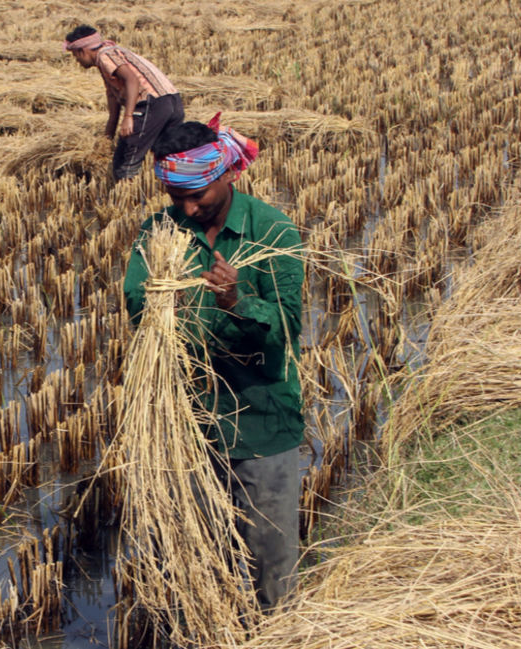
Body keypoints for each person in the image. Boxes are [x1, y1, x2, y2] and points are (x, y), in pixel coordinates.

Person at [122, 118, 304, 611]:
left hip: (261, 421)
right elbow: (136, 301)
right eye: (175, 195)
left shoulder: (271, 231)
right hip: (190, 423)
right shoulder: (159, 231)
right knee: (199, 558)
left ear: (227, 174)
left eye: (197, 193)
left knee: (273, 565)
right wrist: (164, 306)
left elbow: (287, 327)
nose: (187, 207)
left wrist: (236, 302)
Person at [64, 25, 184, 181]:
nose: (77, 61)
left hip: (151, 105)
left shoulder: (105, 56)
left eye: (76, 56)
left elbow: (131, 79)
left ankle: (133, 201)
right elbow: (114, 108)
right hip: (173, 102)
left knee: (125, 163)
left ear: (83, 51)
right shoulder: (113, 55)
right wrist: (106, 141)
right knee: (164, 154)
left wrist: (128, 116)